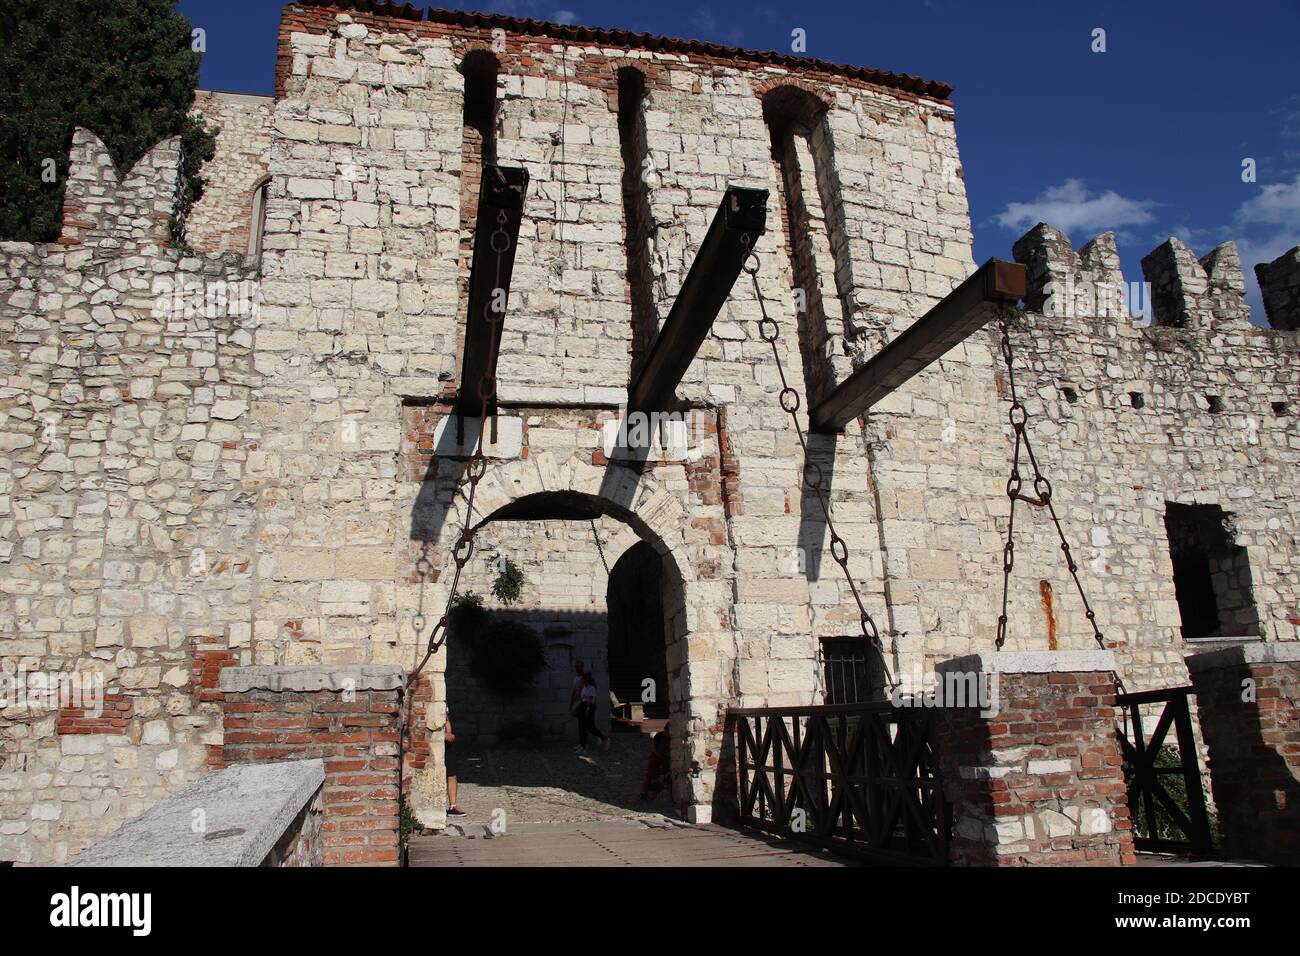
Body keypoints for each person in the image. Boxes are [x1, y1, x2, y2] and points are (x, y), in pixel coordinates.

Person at [574, 671, 609, 753]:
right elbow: (582, 698)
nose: (581, 680)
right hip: (583, 706)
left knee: (590, 727)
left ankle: (604, 739)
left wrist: (587, 709)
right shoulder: (584, 687)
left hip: (588, 707)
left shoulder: (591, 688)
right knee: (581, 726)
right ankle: (582, 745)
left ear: (586, 679)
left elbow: (590, 700)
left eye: (582, 679)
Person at [639, 728, 670, 802]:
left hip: (666, 759)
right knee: (650, 775)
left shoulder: (672, 738)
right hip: (656, 758)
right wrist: (658, 754)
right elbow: (653, 746)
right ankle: (644, 792)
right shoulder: (659, 735)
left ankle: (654, 795)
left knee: (664, 778)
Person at [444, 708, 465, 817]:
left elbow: (446, 718)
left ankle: (453, 806)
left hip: (448, 742)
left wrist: (449, 733)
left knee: (452, 773)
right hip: (439, 740)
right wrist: (443, 736)